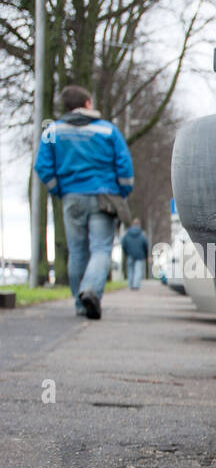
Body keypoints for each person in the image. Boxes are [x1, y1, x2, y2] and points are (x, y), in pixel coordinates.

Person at [33, 85, 134, 320]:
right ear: (87, 104)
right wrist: (123, 191)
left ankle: (80, 305)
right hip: (104, 197)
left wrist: (59, 190)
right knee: (100, 248)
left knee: (77, 251)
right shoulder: (107, 131)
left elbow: (43, 167)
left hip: (71, 197)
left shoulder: (52, 131)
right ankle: (90, 291)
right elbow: (125, 167)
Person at [121, 219, 149, 289]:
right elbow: (145, 244)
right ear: (139, 225)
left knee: (130, 270)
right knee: (138, 270)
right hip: (140, 255)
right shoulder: (142, 234)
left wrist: (126, 252)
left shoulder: (127, 233)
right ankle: (136, 285)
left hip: (130, 254)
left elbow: (123, 243)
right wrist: (146, 254)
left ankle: (130, 285)